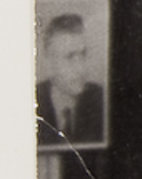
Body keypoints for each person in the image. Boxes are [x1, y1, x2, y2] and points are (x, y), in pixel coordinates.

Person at [36, 12, 104, 146]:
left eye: (83, 54)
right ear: (49, 61)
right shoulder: (31, 100)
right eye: (69, 57)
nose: (81, 68)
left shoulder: (100, 99)